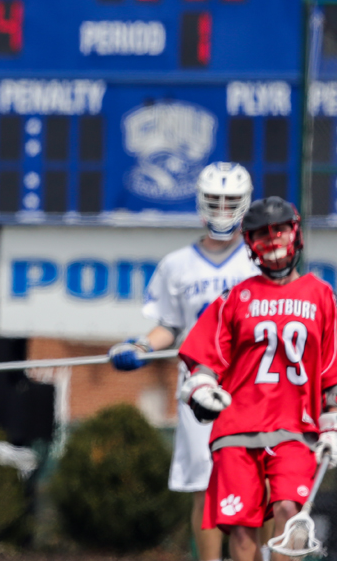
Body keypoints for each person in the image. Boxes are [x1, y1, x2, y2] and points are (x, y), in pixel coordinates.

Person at [108, 162, 258, 561]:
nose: (222, 210)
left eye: (231, 201)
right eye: (215, 201)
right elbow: (168, 328)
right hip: (198, 386)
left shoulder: (259, 261)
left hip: (255, 385)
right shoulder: (177, 265)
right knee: (207, 487)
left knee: (257, 488)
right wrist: (140, 347)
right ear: (200, 203)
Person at [177, 197, 337, 561]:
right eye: (261, 232)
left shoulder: (321, 294)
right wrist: (201, 387)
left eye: (278, 229)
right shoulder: (235, 297)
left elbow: (332, 361)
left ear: (294, 231)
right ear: (249, 242)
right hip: (238, 426)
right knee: (242, 527)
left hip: (297, 426)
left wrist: (332, 414)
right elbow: (205, 357)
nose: (272, 238)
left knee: (289, 512)